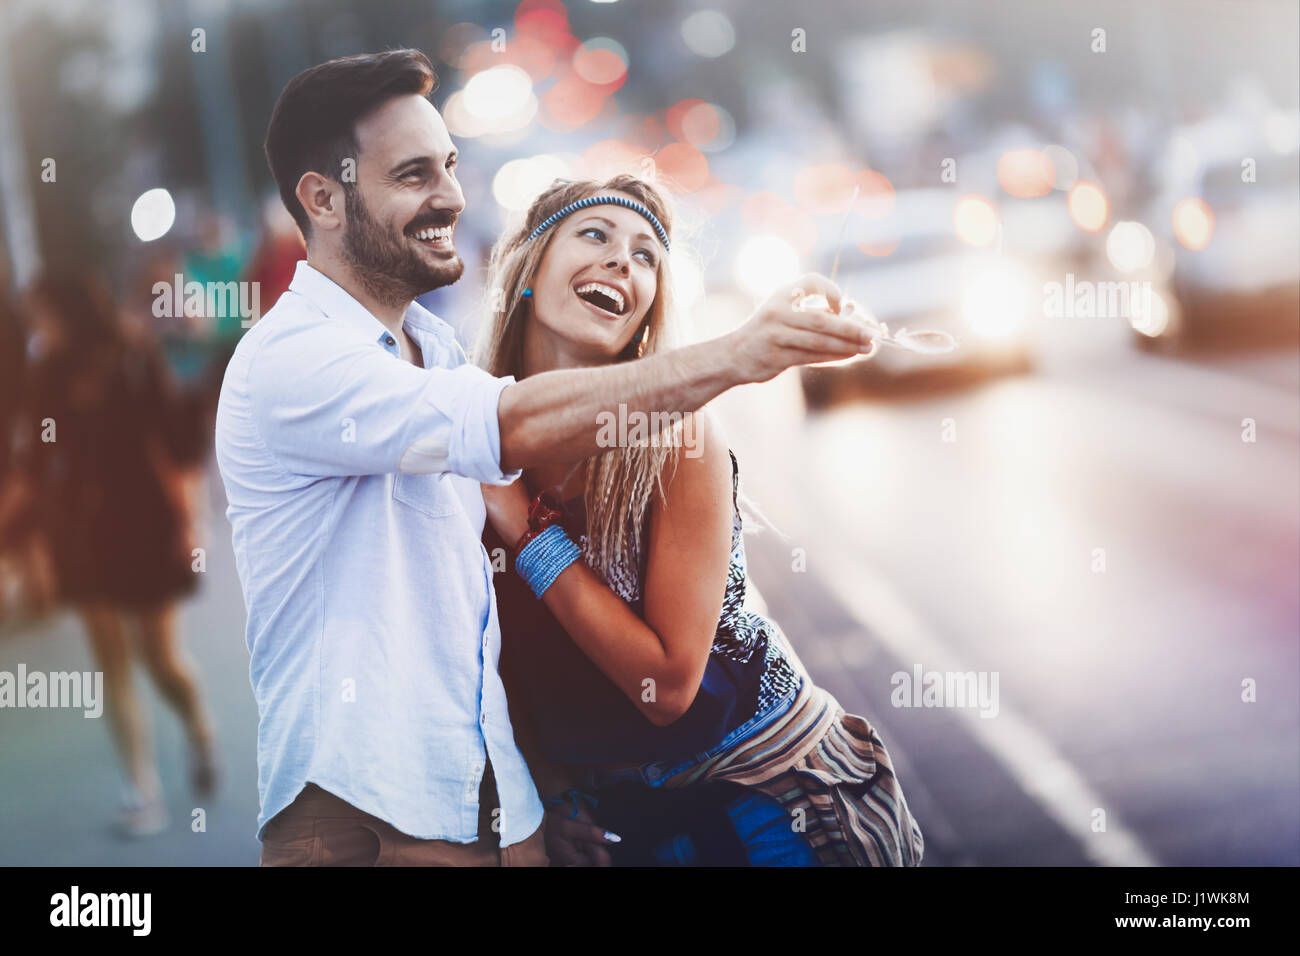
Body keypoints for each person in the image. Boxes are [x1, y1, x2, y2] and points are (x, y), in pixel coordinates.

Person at [216, 48, 873, 867]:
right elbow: (506, 423)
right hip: (370, 817)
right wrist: (737, 356)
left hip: (675, 807)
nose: (451, 196)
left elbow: (480, 635)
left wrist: (537, 804)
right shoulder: (297, 361)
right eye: (414, 174)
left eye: (450, 167)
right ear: (324, 196)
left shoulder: (437, 354)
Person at [478, 176, 926, 866]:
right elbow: (490, 659)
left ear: (648, 312)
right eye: (594, 235)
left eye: (646, 256)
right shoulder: (469, 435)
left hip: (767, 802)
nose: (623, 261)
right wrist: (551, 795)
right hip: (616, 822)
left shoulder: (676, 439)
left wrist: (529, 532)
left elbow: (669, 687)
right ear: (530, 272)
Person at [0, 272, 218, 837]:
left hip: (145, 524)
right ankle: (141, 790)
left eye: (41, 312)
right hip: (81, 532)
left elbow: (176, 442)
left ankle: (197, 724)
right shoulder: (47, 370)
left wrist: (191, 522)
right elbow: (35, 462)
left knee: (160, 660)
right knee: (111, 665)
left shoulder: (134, 355)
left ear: (67, 309)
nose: (38, 326)